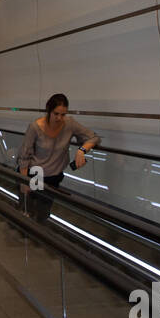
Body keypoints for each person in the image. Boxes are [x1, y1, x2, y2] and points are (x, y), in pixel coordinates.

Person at [17, 93, 100, 222]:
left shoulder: (69, 124)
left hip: (53, 176)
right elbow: (24, 156)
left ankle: (39, 233)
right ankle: (25, 232)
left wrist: (81, 151)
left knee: (43, 213)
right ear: (49, 111)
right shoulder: (35, 127)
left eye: (63, 114)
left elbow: (94, 137)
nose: (59, 118)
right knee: (28, 209)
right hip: (35, 173)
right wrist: (24, 181)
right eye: (56, 114)